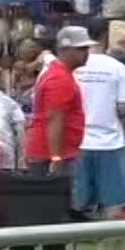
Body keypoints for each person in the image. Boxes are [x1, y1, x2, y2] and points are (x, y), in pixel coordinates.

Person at [73, 25, 125, 215]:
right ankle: (113, 240)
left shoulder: (74, 68)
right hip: (110, 142)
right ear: (104, 39)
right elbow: (122, 109)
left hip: (79, 142)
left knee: (79, 200)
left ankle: (80, 237)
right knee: (113, 201)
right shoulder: (117, 67)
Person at [25, 27, 89, 176]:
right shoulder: (59, 78)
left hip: (51, 153)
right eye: (81, 48)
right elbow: (55, 119)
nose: (86, 53)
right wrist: (56, 158)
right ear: (65, 50)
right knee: (54, 198)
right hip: (50, 156)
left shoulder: (58, 73)